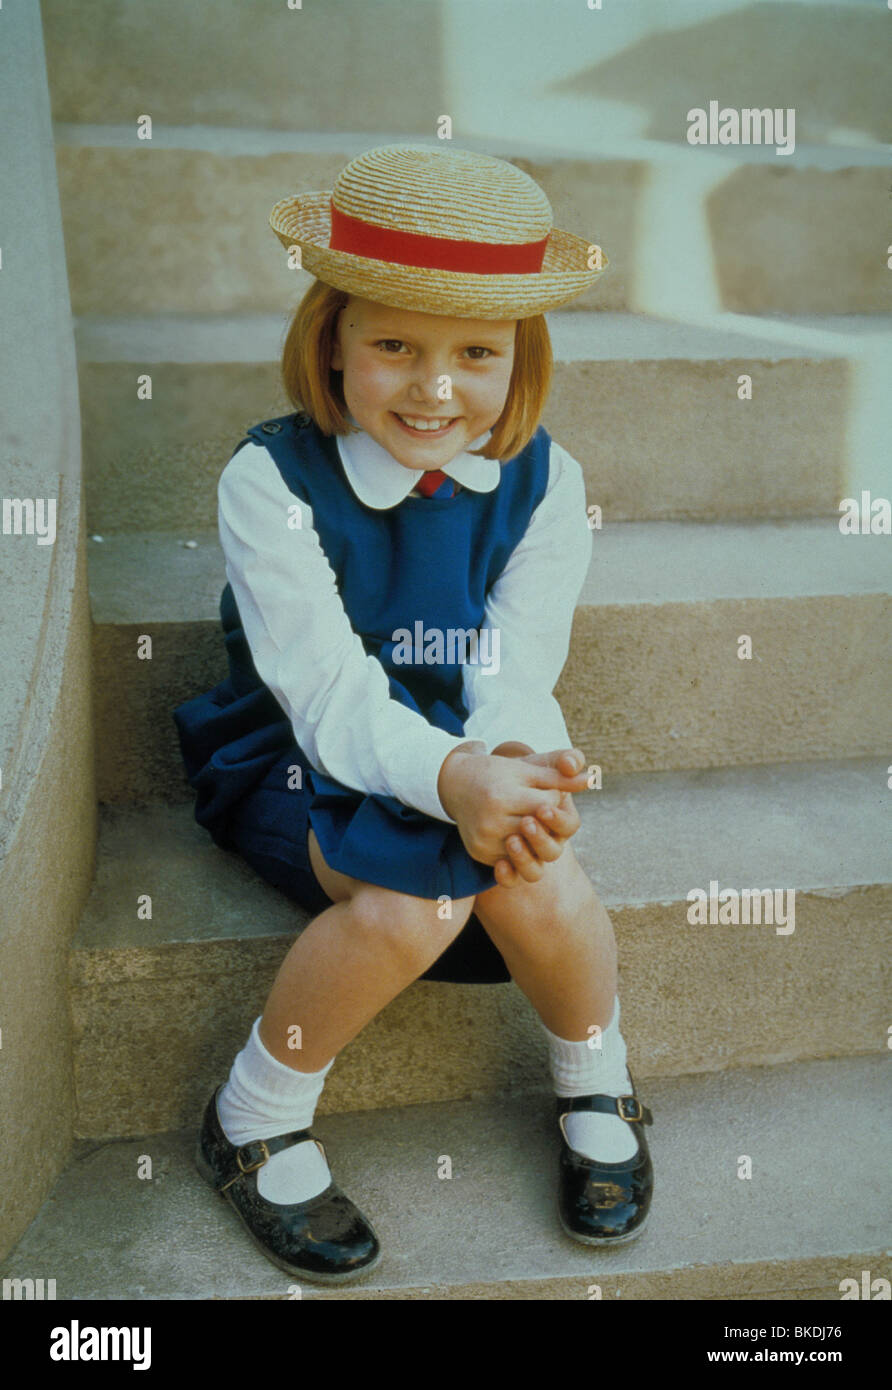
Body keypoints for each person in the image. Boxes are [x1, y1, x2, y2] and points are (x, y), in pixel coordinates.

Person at [173, 144, 653, 1287]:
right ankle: (253, 1115)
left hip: (466, 744)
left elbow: (513, 662)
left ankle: (597, 1073)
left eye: (475, 353)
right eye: (395, 345)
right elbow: (326, 687)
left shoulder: (547, 481)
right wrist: (449, 784)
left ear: (517, 357)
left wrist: (512, 770)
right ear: (330, 338)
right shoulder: (272, 481)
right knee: (415, 899)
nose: (435, 387)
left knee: (538, 868)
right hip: (296, 748)